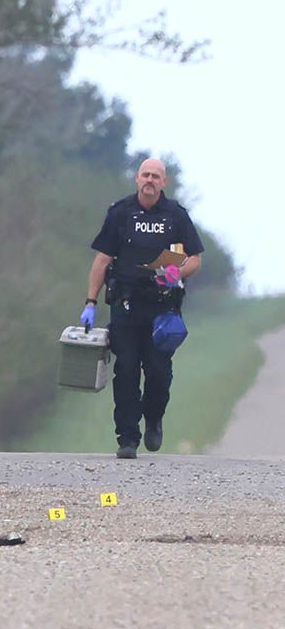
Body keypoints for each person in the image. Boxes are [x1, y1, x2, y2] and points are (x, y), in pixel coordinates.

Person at [81, 158, 204, 459]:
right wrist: (90, 302)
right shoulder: (120, 213)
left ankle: (154, 418)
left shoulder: (176, 216)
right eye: (145, 175)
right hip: (125, 305)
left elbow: (195, 259)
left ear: (164, 182)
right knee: (125, 371)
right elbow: (102, 260)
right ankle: (127, 437)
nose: (150, 180)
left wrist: (176, 274)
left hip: (163, 309)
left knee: (159, 371)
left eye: (156, 176)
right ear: (137, 179)